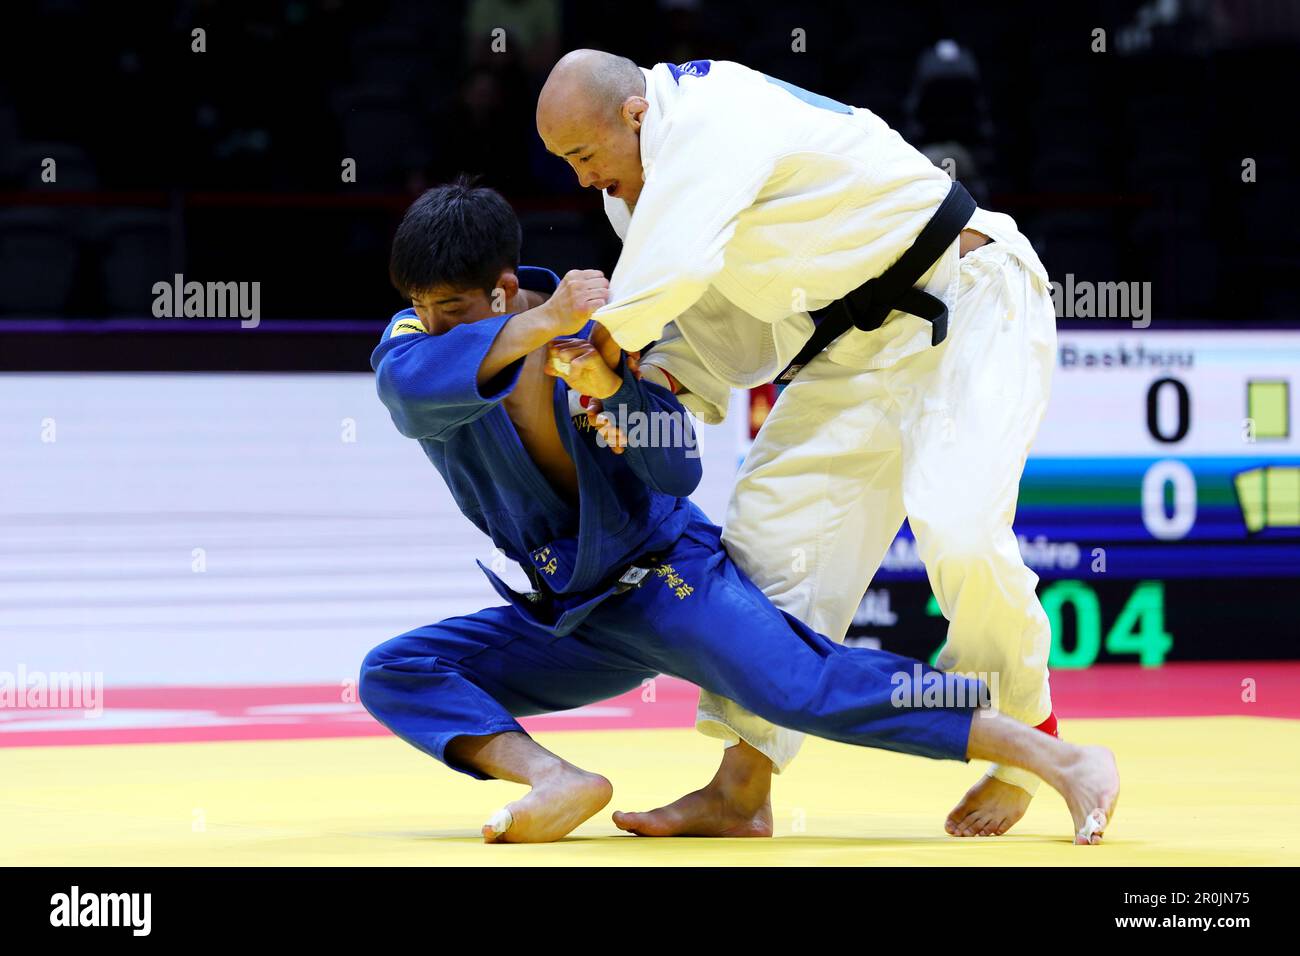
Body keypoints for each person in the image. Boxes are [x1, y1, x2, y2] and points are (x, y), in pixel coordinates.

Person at [357, 179, 1119, 845]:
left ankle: (1056, 756)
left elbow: (678, 468)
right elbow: (406, 390)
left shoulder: (605, 335)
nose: (429, 320)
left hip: (662, 581)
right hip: (570, 615)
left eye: (448, 306)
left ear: (498, 286)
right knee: (397, 670)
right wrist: (538, 323)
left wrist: (618, 395)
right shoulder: (420, 341)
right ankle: (556, 780)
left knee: (799, 687)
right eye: (417, 306)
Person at [536, 50, 1062, 839]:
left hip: (972, 300)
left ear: (634, 114)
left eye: (584, 156)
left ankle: (1026, 738)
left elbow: (669, 274)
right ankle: (742, 791)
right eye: (565, 166)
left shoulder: (715, 113)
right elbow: (736, 330)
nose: (583, 180)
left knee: (957, 524)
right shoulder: (640, 198)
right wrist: (667, 380)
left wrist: (599, 342)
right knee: (769, 543)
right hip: (855, 347)